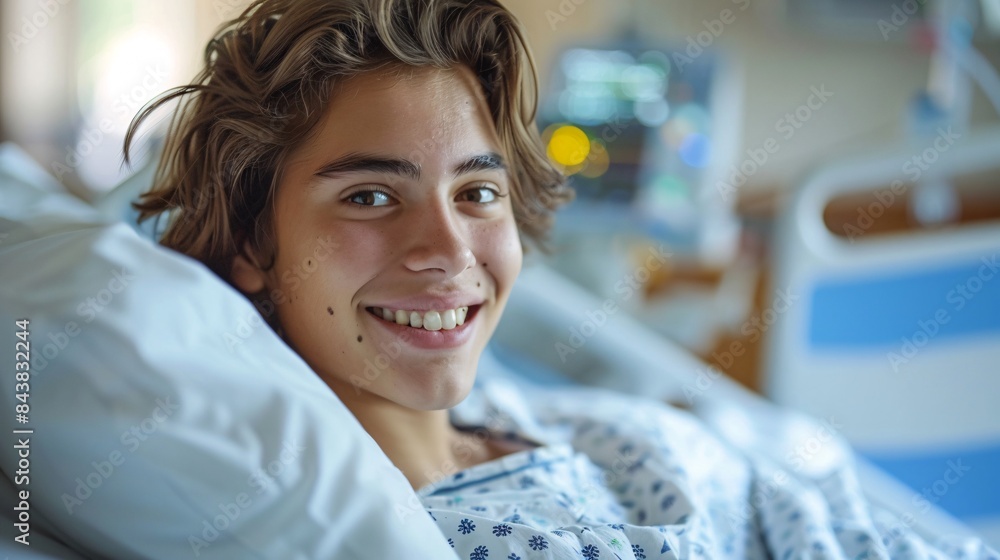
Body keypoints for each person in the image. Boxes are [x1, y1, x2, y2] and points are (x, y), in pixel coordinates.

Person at [125, 1, 998, 558]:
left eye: (476, 191)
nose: (450, 249)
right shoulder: (414, 531)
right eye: (370, 194)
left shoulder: (531, 418)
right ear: (250, 243)